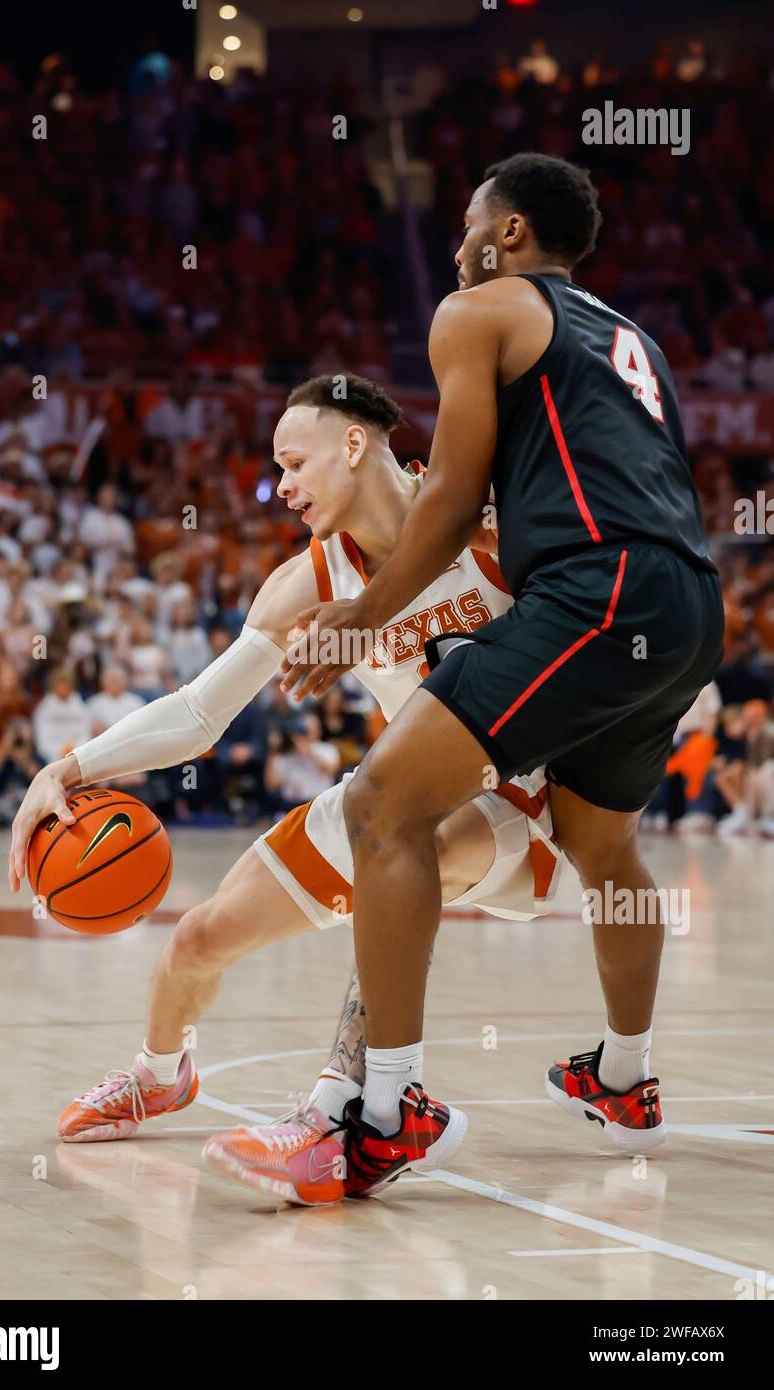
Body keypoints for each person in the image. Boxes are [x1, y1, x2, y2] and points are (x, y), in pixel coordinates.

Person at [280, 154, 724, 1195]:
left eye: (468, 223)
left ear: (510, 233)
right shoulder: (630, 337)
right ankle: (624, 1074)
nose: (453, 245)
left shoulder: (475, 309)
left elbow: (451, 491)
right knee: (600, 842)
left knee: (381, 801)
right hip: (684, 602)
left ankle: (387, 1109)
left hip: (597, 587)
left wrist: (360, 613)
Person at [8, 375, 562, 1203]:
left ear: (353, 444)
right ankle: (160, 1075)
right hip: (398, 790)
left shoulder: (488, 522)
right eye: (277, 469)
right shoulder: (307, 583)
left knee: (408, 850)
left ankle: (340, 1110)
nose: (283, 487)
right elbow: (200, 712)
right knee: (199, 939)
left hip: (527, 798)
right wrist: (67, 768)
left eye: (294, 463)